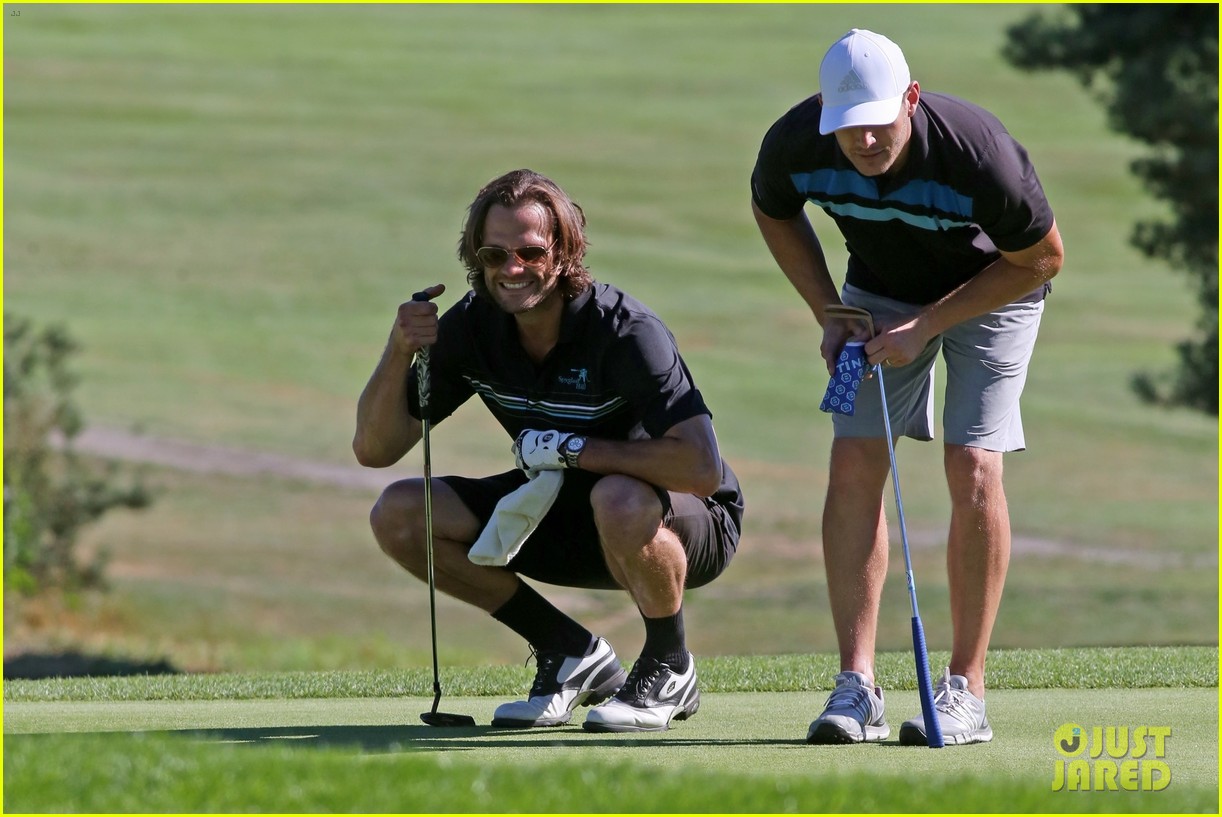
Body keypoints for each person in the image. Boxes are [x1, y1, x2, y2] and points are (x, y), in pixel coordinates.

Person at [751, 29, 1064, 745]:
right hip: (879, 292)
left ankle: (965, 689)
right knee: (855, 458)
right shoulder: (797, 142)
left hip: (995, 292)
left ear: (912, 99)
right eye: (848, 127)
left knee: (973, 463)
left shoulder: (977, 153)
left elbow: (1042, 259)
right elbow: (773, 211)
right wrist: (828, 308)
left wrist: (928, 324)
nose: (863, 141)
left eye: (879, 123)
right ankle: (856, 685)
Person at [354, 168, 744, 733]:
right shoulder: (473, 327)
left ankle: (669, 663)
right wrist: (398, 350)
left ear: (563, 253)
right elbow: (374, 448)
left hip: (682, 521)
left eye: (529, 252)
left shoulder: (626, 331)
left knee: (616, 497)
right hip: (556, 513)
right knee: (399, 514)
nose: (511, 270)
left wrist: (575, 449)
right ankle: (568, 651)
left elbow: (702, 470)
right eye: (493, 256)